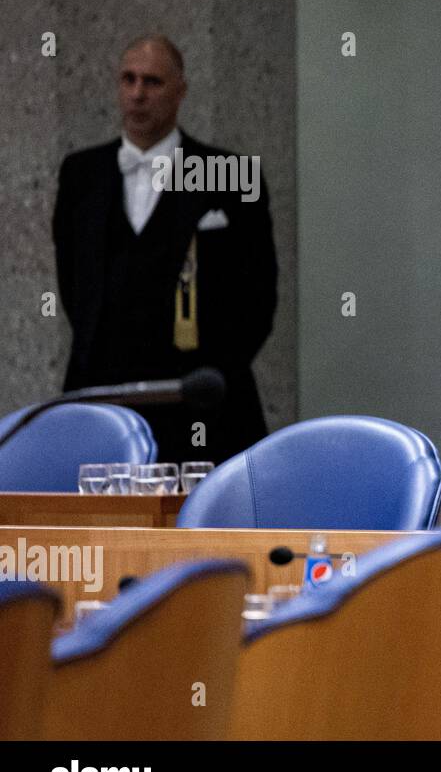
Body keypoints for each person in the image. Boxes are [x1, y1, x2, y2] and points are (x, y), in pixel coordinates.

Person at [52, 35, 277, 464]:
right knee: (100, 526)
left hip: (202, 399)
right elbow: (73, 283)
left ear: (181, 90)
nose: (137, 94)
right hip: (103, 396)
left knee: (204, 525)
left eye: (153, 82)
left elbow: (258, 295)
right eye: (128, 80)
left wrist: (211, 373)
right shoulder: (81, 174)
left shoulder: (229, 173)